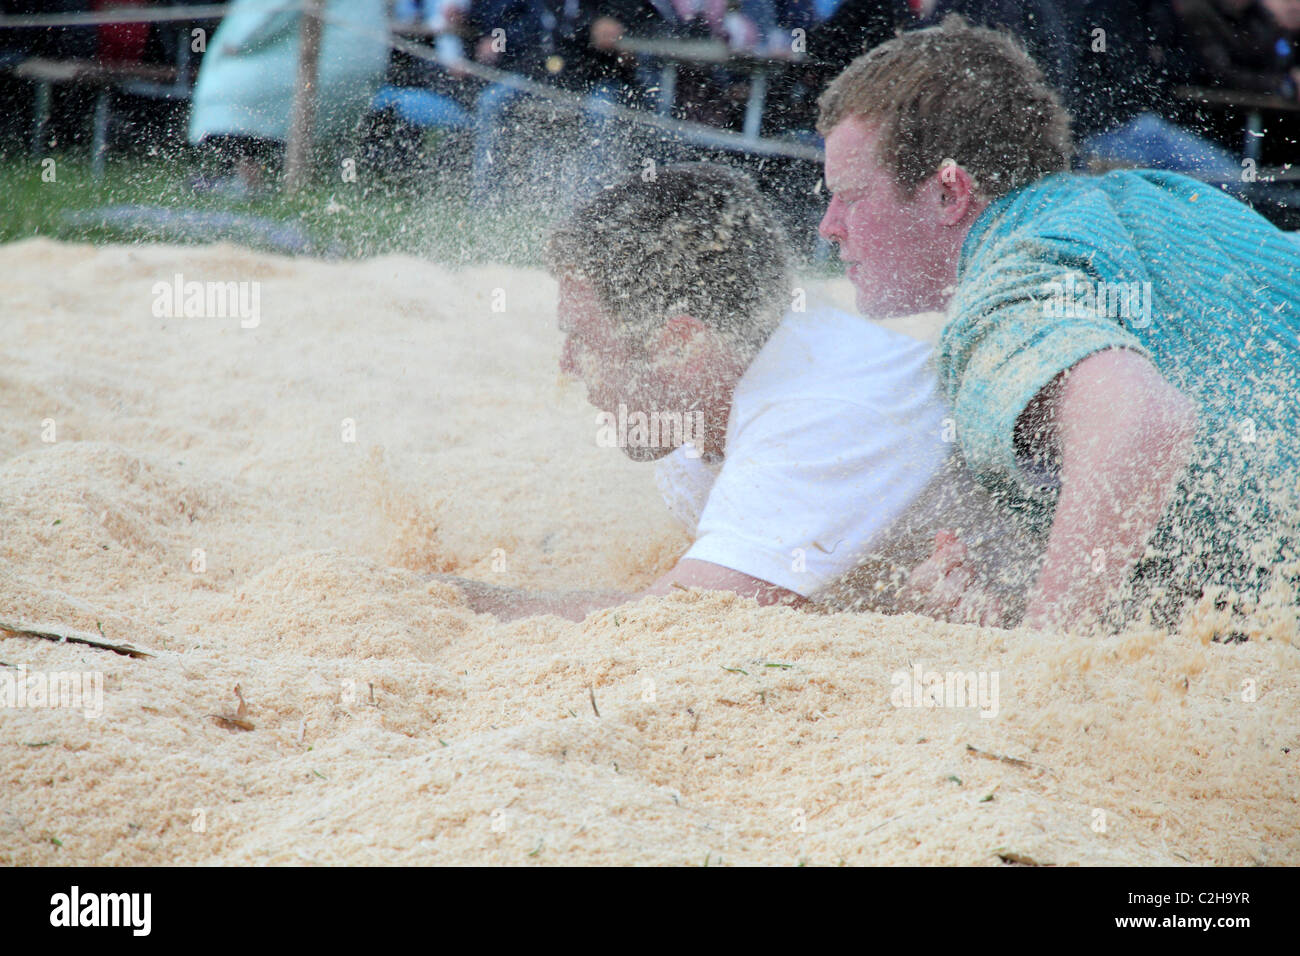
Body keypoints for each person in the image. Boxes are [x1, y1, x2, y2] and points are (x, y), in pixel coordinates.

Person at [816, 15, 1300, 633]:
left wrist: (1044, 654)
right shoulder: (1161, 199)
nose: (830, 226)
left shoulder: (1003, 288)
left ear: (949, 194)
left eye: (852, 197)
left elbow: (1143, 424)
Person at [445, 162, 1041, 622]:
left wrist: (439, 601)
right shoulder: (726, 400)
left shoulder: (819, 411)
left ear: (681, 345)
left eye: (585, 341)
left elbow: (669, 627)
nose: (568, 365)